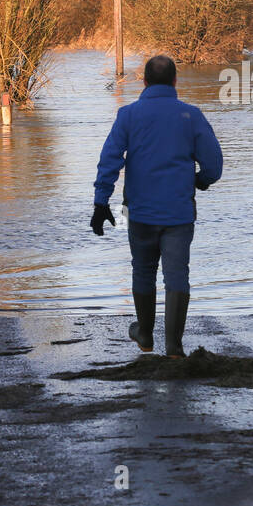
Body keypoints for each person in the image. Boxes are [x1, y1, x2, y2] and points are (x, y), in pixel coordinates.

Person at [91, 55, 223, 358]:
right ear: (175, 82)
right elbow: (214, 165)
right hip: (178, 213)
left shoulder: (127, 115)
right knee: (177, 274)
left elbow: (110, 160)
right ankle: (174, 346)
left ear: (145, 82)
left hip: (138, 212)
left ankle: (146, 336)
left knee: (143, 270)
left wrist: (101, 202)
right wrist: (201, 180)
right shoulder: (191, 116)